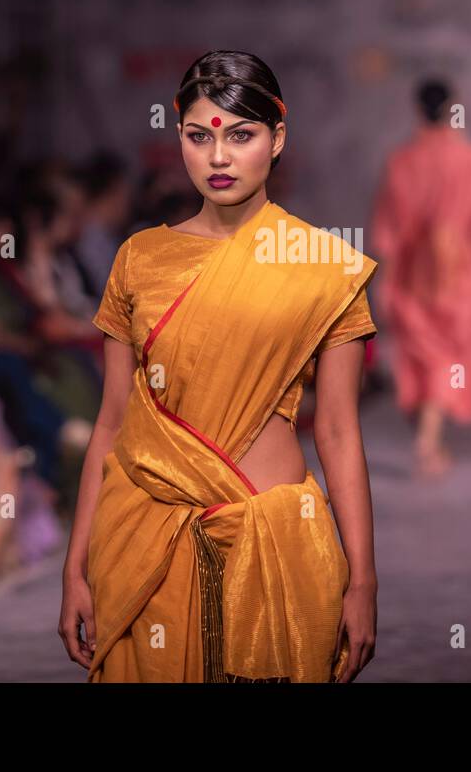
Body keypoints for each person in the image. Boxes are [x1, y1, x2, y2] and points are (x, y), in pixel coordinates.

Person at [59, 50, 379, 682]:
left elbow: (339, 431)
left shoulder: (326, 268)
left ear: (277, 138)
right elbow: (112, 423)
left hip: (276, 545)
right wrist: (75, 569)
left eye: (241, 135)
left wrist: (363, 578)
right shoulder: (140, 260)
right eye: (198, 136)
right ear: (178, 137)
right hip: (144, 541)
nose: (219, 157)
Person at [369, 78, 471, 477]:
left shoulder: (402, 161)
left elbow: (389, 227)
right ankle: (428, 442)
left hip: (412, 273)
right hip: (459, 274)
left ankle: (428, 436)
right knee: (448, 356)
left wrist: (386, 279)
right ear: (453, 108)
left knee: (423, 354)